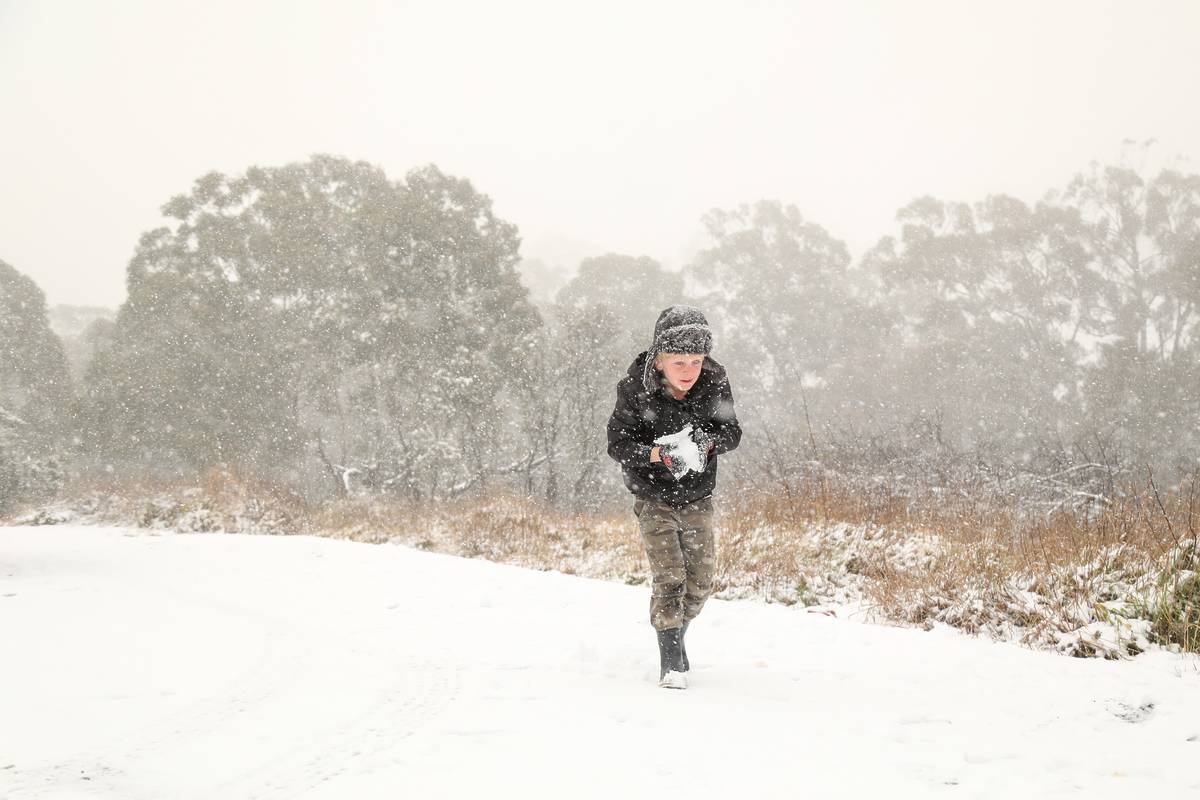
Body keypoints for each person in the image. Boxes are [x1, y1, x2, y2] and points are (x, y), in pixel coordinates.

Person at [606, 305, 742, 689]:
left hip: (697, 495)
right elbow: (617, 444)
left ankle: (676, 634)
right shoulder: (634, 388)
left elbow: (732, 432)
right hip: (652, 495)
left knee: (699, 583)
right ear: (659, 359)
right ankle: (671, 663)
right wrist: (657, 454)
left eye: (696, 361)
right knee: (670, 577)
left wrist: (708, 443)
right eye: (679, 361)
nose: (688, 370)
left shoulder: (715, 381)